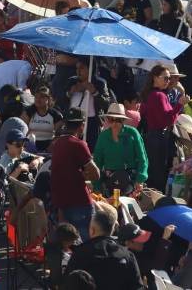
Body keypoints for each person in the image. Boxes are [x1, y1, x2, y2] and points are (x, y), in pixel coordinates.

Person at [64, 201, 144, 290]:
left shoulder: (80, 253)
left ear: (92, 230)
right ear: (112, 230)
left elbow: (66, 284)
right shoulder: (127, 255)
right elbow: (138, 287)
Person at [50, 107, 99, 241]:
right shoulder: (79, 145)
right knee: (87, 242)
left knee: (68, 244)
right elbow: (96, 175)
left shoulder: (57, 143)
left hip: (62, 203)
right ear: (82, 126)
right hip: (80, 202)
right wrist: (85, 173)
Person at [140, 65, 187, 189]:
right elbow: (166, 120)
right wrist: (179, 105)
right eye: (166, 78)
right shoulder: (159, 96)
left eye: (169, 78)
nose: (168, 81)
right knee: (158, 175)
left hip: (151, 137)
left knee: (152, 173)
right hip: (158, 137)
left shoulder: (150, 94)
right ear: (155, 78)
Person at [92, 103, 148, 195]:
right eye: (111, 119)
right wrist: (96, 186)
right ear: (107, 119)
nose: (114, 123)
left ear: (123, 120)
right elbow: (97, 162)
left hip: (130, 178)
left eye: (117, 120)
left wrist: (140, 179)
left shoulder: (133, 133)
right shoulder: (103, 136)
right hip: (108, 179)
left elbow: (143, 159)